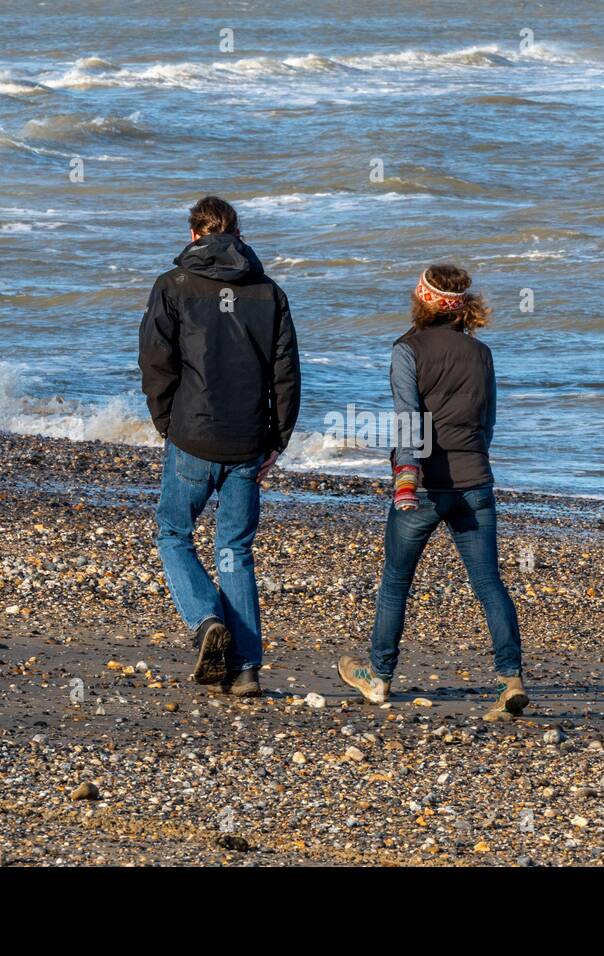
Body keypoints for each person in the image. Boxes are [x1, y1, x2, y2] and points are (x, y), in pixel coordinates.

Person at [337, 264, 526, 720]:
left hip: (421, 488)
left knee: (396, 583)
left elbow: (408, 419)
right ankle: (511, 679)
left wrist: (406, 475)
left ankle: (379, 678)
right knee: (488, 582)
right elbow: (489, 423)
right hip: (475, 481)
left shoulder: (407, 349)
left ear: (422, 300)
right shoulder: (481, 354)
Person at [139, 196, 300, 697]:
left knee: (173, 534)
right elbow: (286, 373)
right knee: (234, 549)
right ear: (237, 232)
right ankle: (247, 668)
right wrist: (279, 438)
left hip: (193, 434)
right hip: (249, 439)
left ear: (194, 234)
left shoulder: (174, 285)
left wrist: (167, 422)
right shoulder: (267, 291)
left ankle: (207, 620)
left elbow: (155, 362)